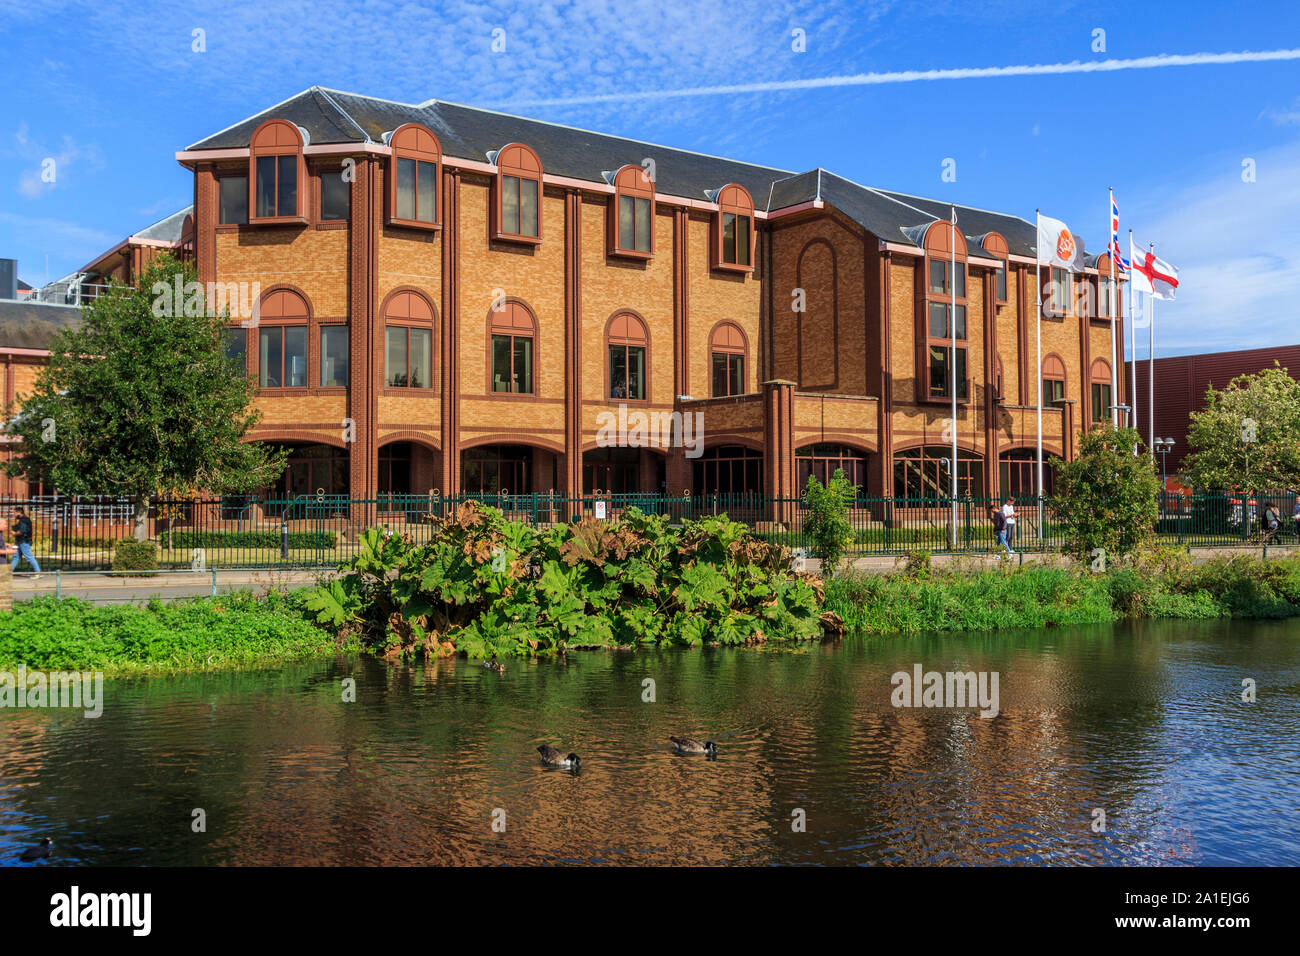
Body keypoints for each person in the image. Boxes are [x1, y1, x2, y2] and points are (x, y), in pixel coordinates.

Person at [10, 506, 41, 577]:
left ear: (19, 512)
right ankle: (9, 572)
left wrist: (14, 533)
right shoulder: (24, 520)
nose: (13, 515)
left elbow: (22, 531)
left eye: (14, 513)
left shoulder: (23, 520)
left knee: (29, 557)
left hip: (24, 541)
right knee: (16, 557)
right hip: (21, 541)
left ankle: (38, 573)